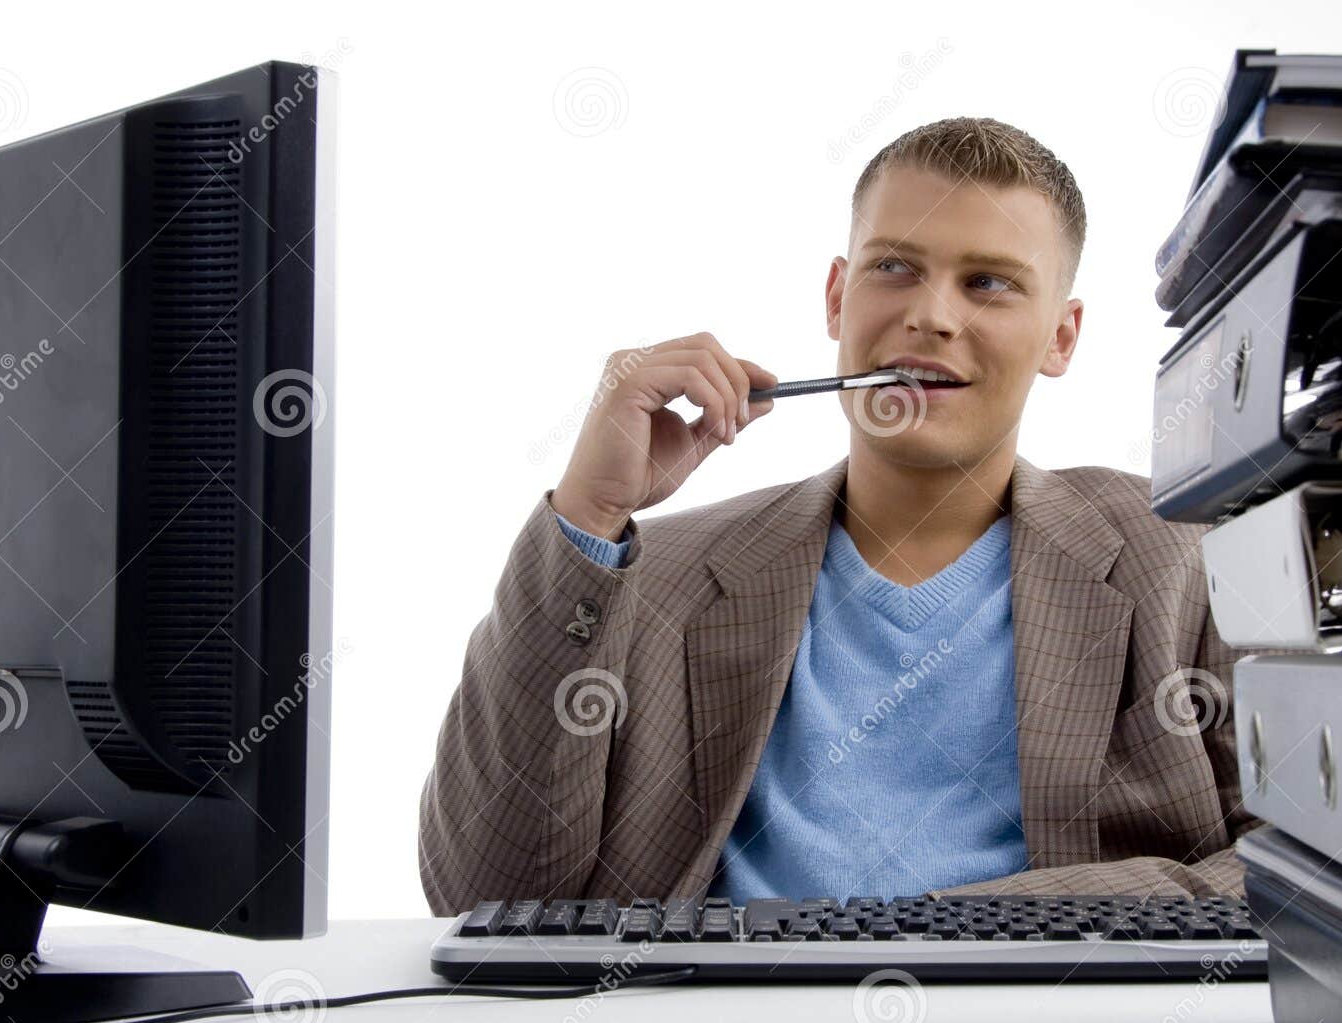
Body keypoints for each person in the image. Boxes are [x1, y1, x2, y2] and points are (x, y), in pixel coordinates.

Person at [418, 116, 1258, 914]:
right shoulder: (650, 580)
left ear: (1061, 338)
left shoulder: (1185, 557)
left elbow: (1314, 867)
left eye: (989, 283)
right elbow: (484, 896)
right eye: (893, 267)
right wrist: (590, 515)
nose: (930, 315)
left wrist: (966, 927)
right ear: (835, 297)